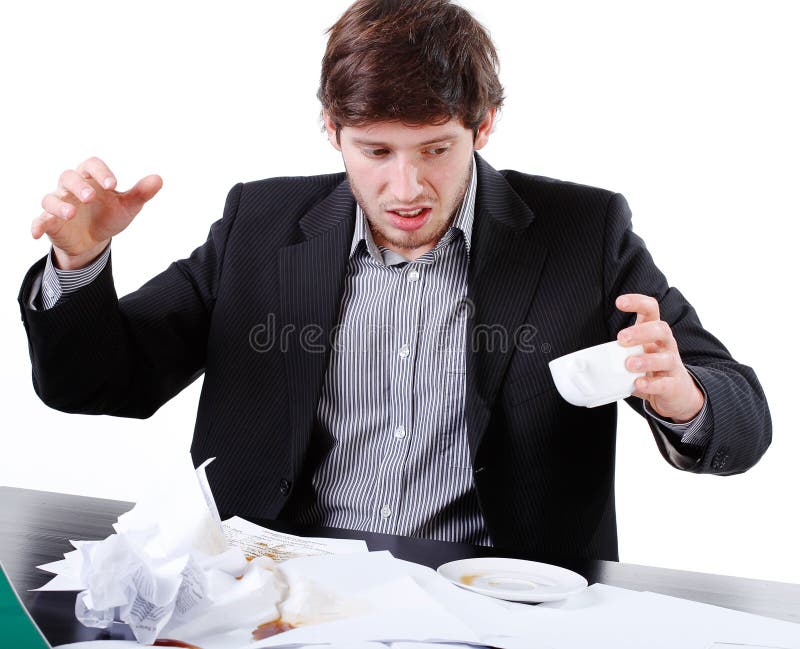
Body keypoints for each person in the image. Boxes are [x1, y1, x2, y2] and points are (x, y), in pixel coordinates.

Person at [18, 0, 770, 562]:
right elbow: (95, 383)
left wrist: (686, 398)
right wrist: (78, 267)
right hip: (274, 591)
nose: (406, 186)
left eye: (435, 149)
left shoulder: (584, 233)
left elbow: (742, 418)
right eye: (375, 150)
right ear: (331, 129)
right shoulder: (261, 222)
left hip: (495, 599)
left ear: (484, 127)